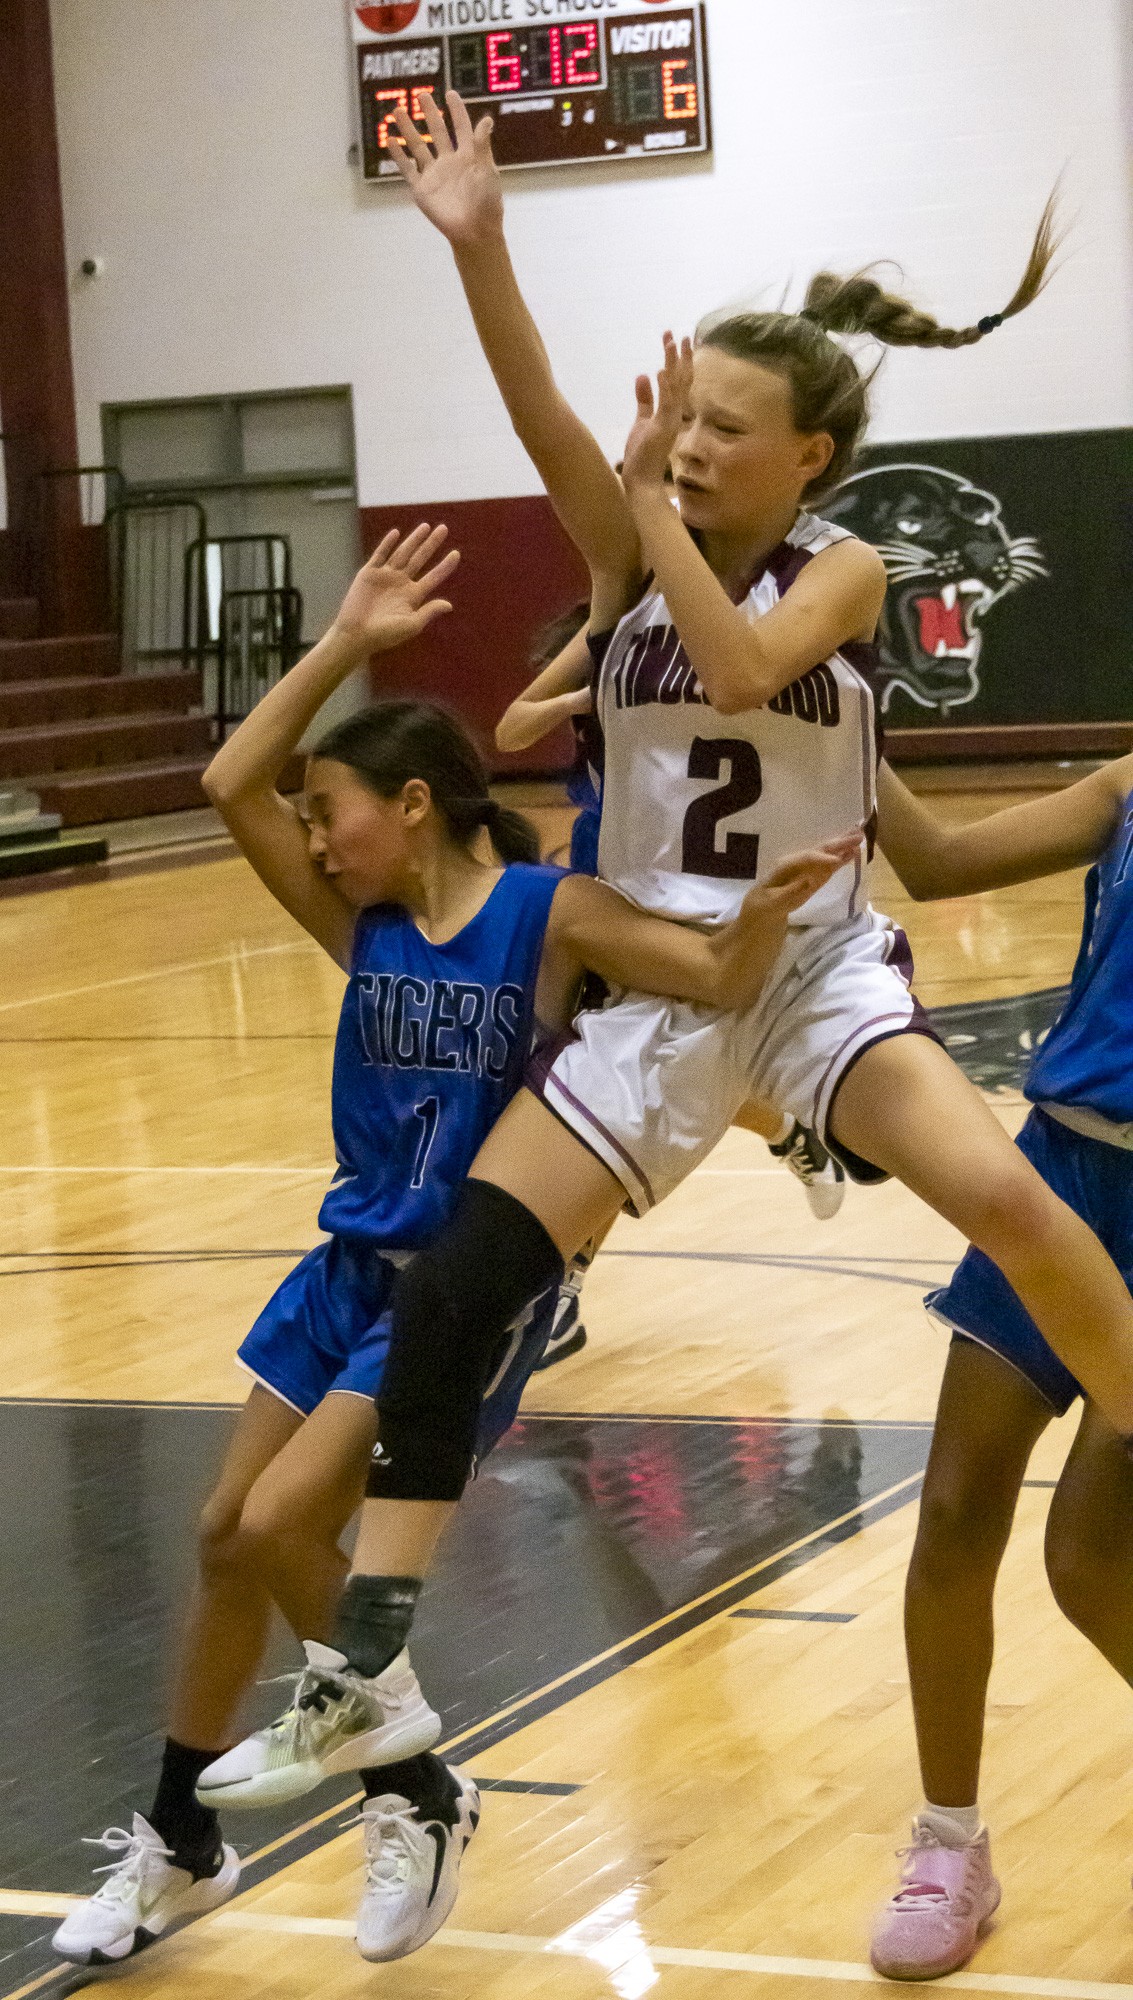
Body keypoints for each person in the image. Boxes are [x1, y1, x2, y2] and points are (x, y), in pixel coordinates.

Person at [205, 96, 1133, 1833]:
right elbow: (542, 413)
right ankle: (367, 1668)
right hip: (657, 994)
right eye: (681, 417)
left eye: (725, 428)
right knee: (460, 1280)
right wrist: (480, 247)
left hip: (810, 976)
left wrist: (642, 516)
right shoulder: (631, 542)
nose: (688, 446)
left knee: (1005, 1199)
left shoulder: (842, 569)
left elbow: (738, 671)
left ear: (809, 457)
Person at [53, 525, 855, 1975]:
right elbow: (229, 781)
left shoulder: (547, 916)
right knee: (225, 1535)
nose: (311, 837)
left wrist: (760, 919)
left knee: (281, 1524)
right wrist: (348, 642)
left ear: (413, 804)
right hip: (344, 1263)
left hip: (455, 1294)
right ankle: (181, 1837)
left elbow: (705, 970)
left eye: (332, 812)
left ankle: (416, 1785)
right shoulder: (358, 921)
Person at [866, 754, 1133, 1980]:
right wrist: (833, 707)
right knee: (952, 1506)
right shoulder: (1126, 783)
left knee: (1087, 1555)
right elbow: (934, 861)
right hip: (1057, 1179)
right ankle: (947, 1843)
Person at [500, 606, 847, 1240]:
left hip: (687, 870)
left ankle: (574, 1263)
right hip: (604, 858)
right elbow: (511, 730)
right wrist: (588, 695)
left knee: (671, 1057)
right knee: (595, 1061)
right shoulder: (608, 637)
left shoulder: (714, 652)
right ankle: (785, 1130)